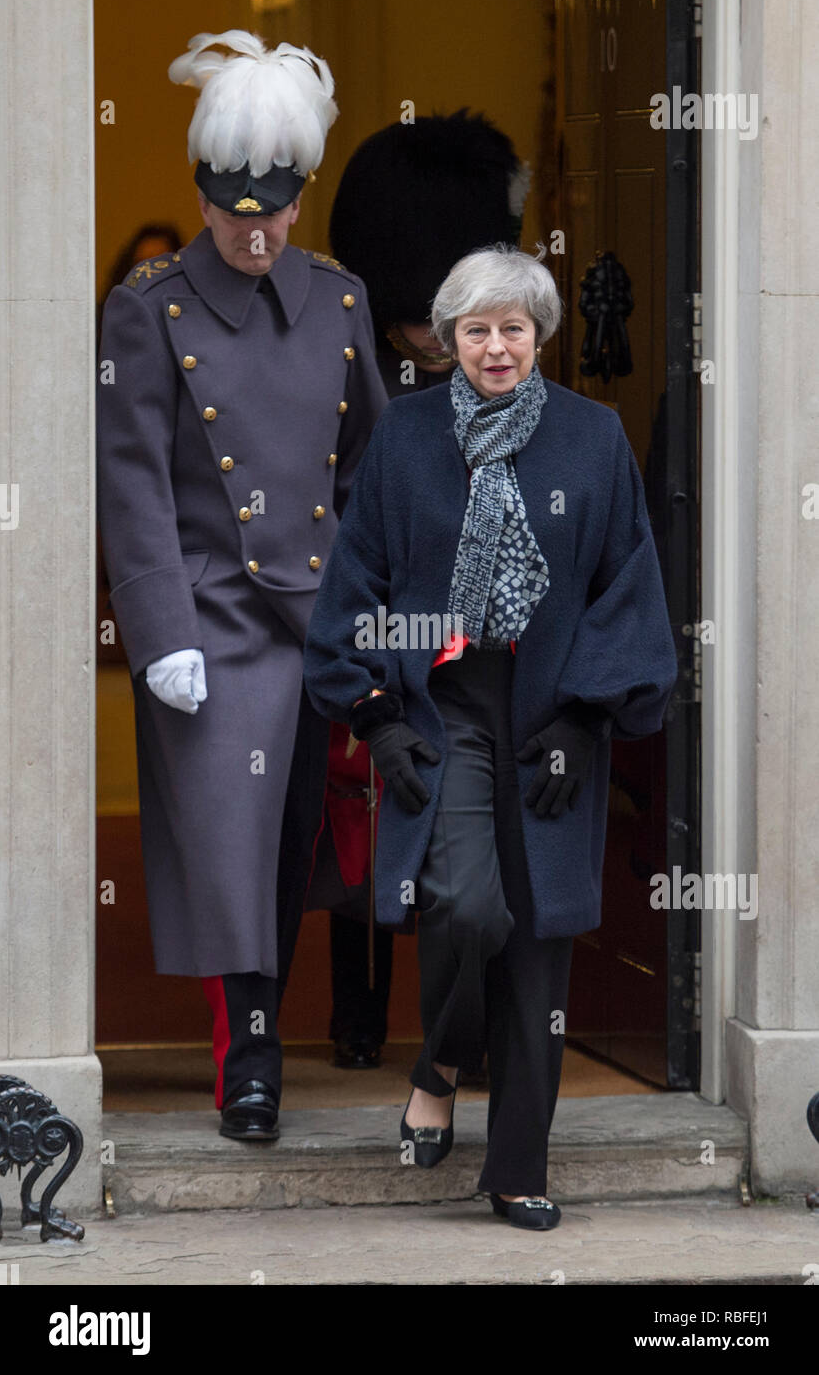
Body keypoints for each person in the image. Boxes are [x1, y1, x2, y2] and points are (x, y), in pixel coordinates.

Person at [303, 245, 678, 1228]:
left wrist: (586, 718)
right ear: (447, 341)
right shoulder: (407, 437)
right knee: (468, 909)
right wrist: (376, 716)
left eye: (514, 327)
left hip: (552, 703)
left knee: (537, 945)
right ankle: (437, 1062)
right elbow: (356, 587)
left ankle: (519, 1170)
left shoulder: (592, 440)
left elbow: (625, 587)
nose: (496, 346)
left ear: (539, 335)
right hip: (444, 705)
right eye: (476, 329)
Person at [96, 30, 387, 1141]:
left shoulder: (343, 301)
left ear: (300, 195)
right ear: (202, 193)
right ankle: (248, 1058)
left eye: (272, 207)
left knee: (295, 836)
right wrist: (157, 622)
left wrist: (371, 597)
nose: (253, 229)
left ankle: (273, 1026)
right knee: (227, 836)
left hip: (318, 615)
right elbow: (131, 485)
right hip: (212, 617)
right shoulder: (148, 306)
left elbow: (367, 460)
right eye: (231, 208)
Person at [315, 111, 529, 1071]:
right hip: (375, 615)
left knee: (470, 848)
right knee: (352, 811)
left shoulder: (493, 365)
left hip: (471, 640)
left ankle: (462, 1035)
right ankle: (356, 1008)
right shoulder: (361, 360)